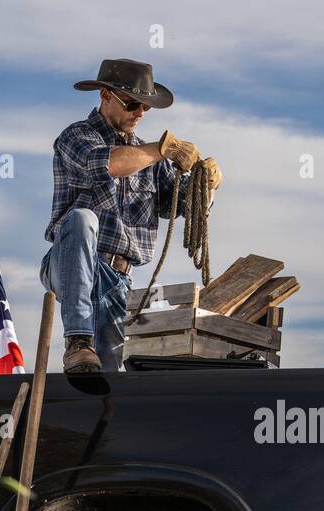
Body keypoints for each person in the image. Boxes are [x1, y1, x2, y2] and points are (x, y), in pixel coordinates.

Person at [41, 58, 222, 372]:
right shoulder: (77, 137)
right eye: (132, 104)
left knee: (108, 378)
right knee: (83, 220)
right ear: (106, 96)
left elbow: (177, 206)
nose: (139, 113)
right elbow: (106, 164)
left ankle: (94, 392)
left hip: (117, 280)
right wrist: (161, 150)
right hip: (70, 261)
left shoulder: (151, 157)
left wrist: (207, 185)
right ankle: (78, 341)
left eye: (145, 107)